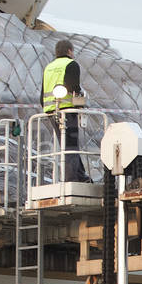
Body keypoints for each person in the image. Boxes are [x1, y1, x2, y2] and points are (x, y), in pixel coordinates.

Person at [41, 39, 88, 183]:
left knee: (66, 144)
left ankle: (80, 174)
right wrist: (82, 97)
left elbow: (42, 92)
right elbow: (73, 87)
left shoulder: (48, 67)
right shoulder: (71, 64)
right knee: (71, 145)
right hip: (67, 111)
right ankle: (72, 179)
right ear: (69, 51)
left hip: (50, 110)